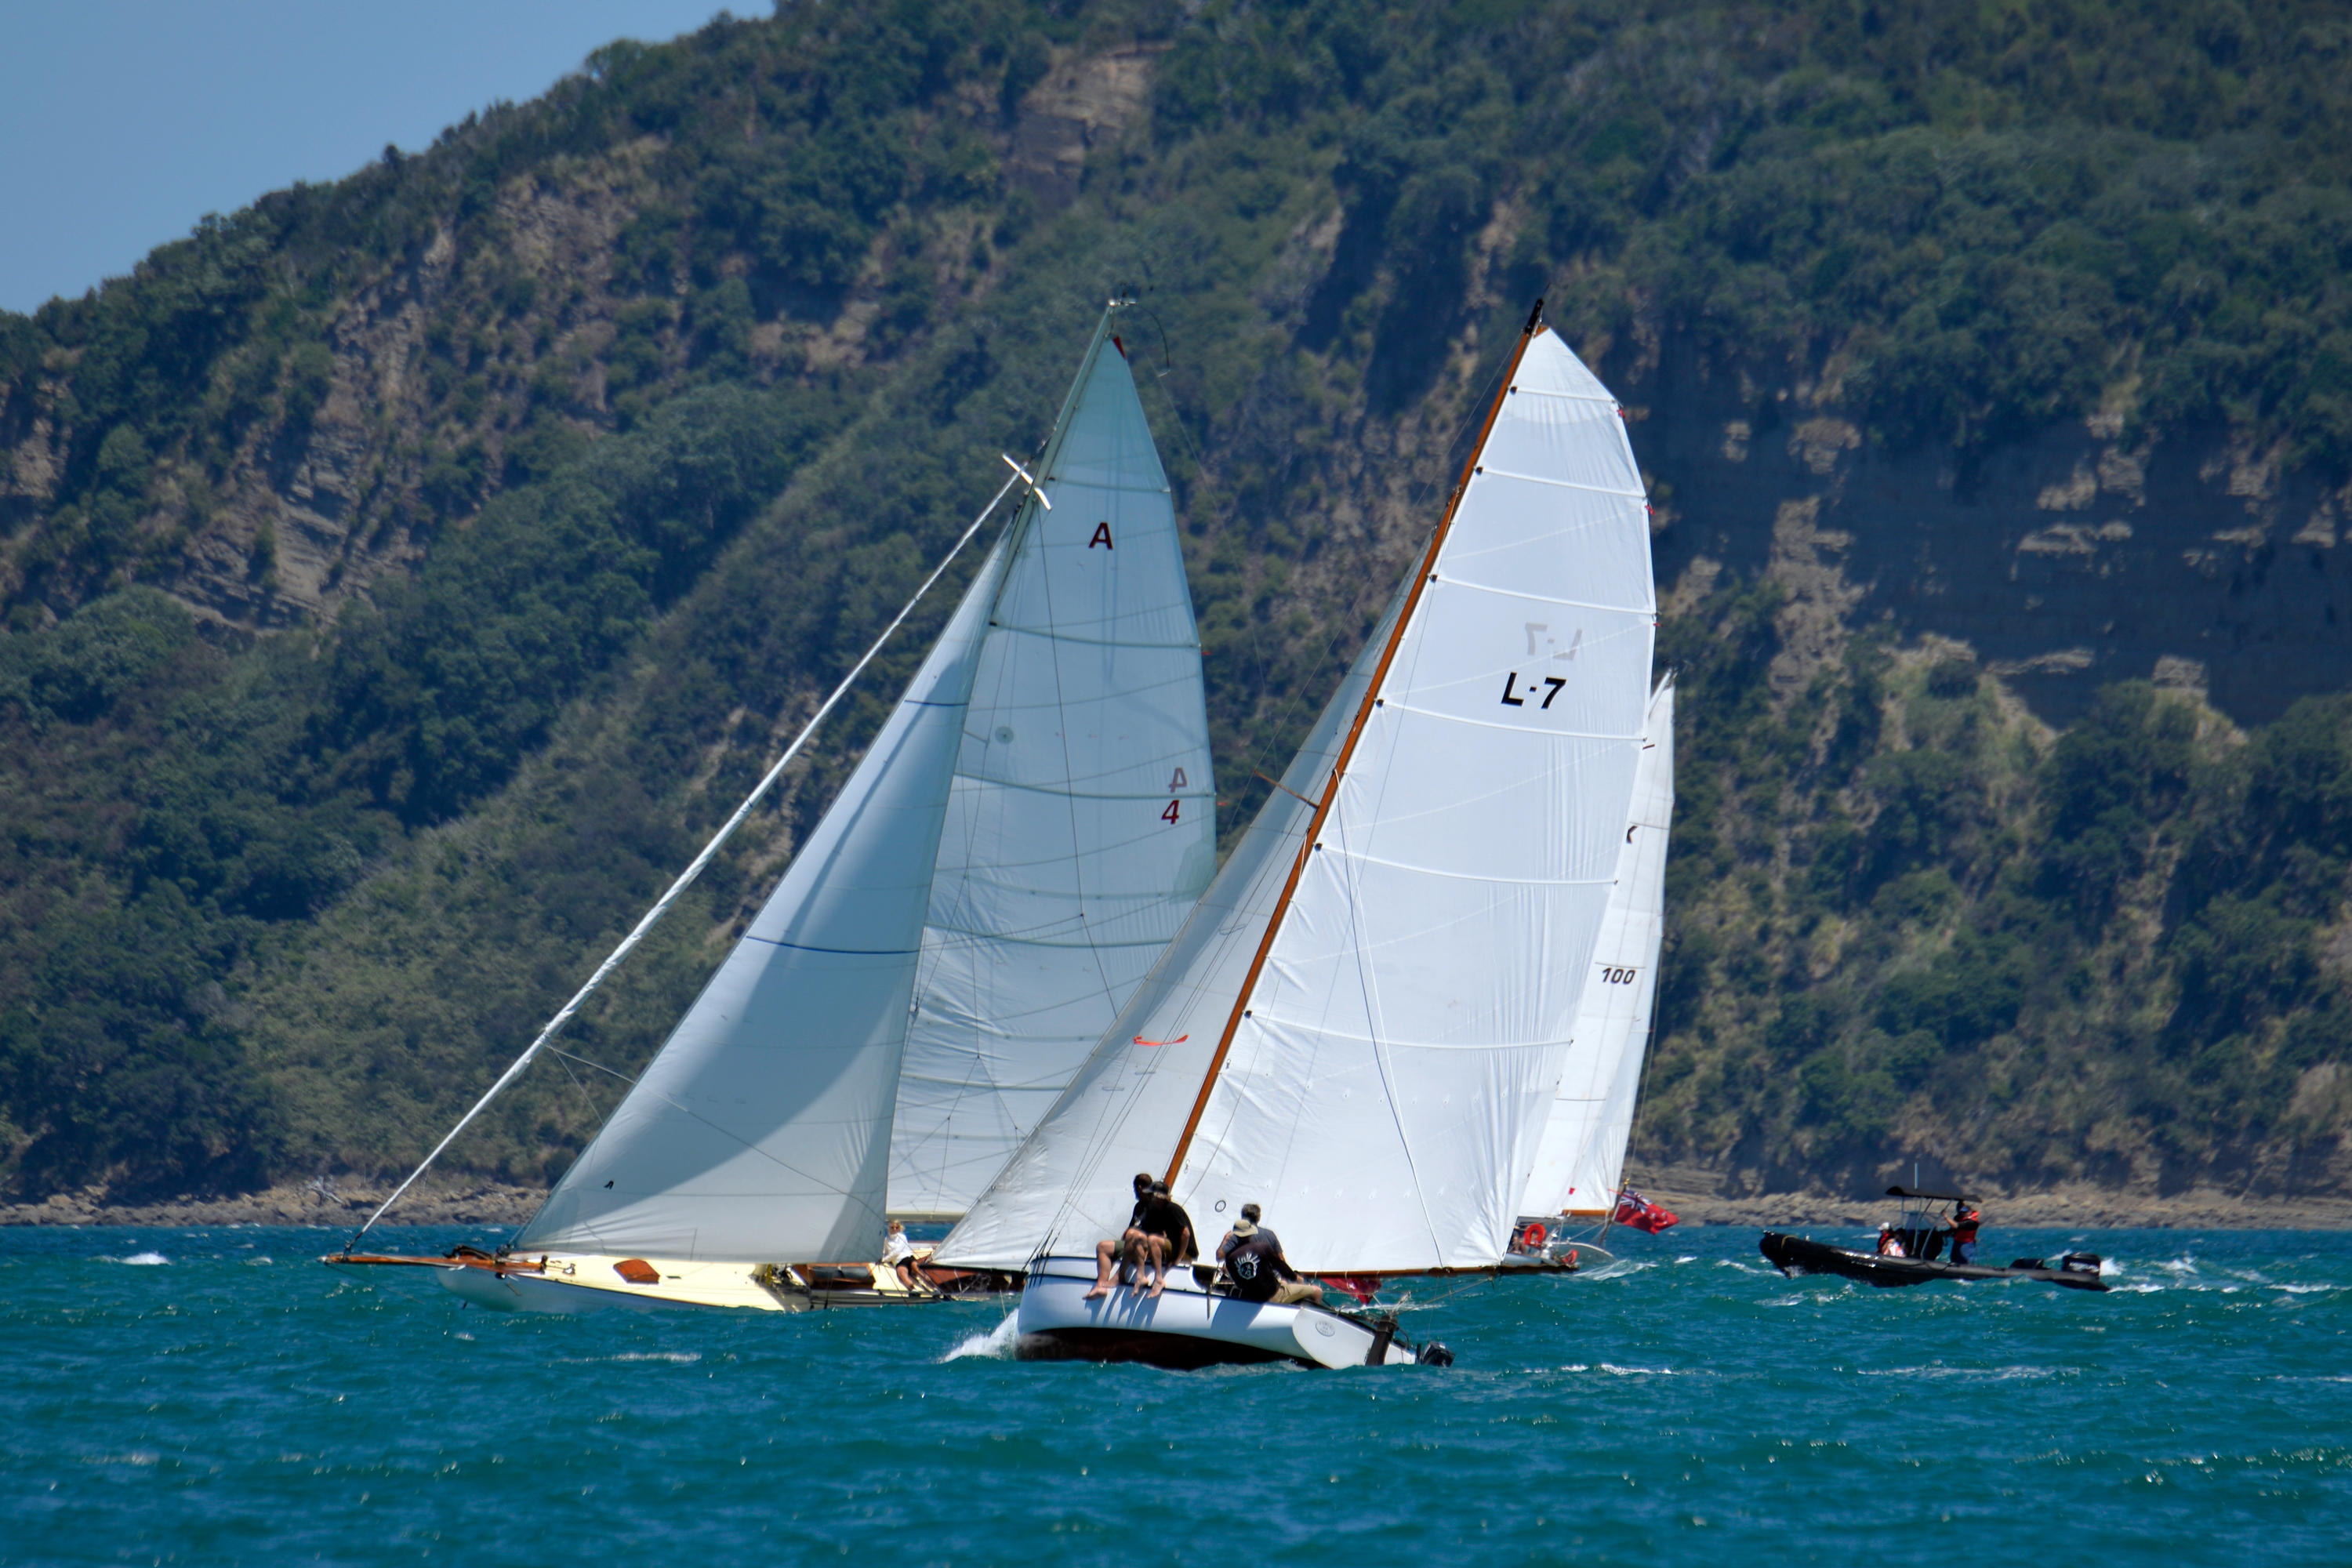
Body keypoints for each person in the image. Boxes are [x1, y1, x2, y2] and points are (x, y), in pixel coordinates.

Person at [1216, 1203, 1323, 1306]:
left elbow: (1221, 1260)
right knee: (1317, 1291)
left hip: (1250, 1296)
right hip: (1272, 1293)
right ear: (1258, 1218)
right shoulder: (1264, 1243)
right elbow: (1281, 1263)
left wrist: (1226, 1239)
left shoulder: (1231, 1253)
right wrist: (1296, 1278)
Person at [1084, 1173, 1158, 1300]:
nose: (1135, 1192)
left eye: (1135, 1189)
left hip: (1144, 1245)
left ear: (1140, 1188)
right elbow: (1132, 1226)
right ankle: (1101, 1286)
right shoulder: (1139, 1206)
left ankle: (1120, 1276)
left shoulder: (1156, 1206)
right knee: (1102, 1247)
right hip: (1130, 1243)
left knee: (1132, 1236)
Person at [1135, 1179, 1197, 1299]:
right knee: (1145, 1238)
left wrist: (1177, 1260)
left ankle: (1158, 1279)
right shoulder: (1157, 1211)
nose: (1149, 1198)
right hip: (1173, 1248)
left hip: (1186, 1252)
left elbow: (1185, 1234)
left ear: (1157, 1196)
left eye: (1151, 1195)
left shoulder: (1172, 1209)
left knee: (1153, 1240)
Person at [880, 1220, 927, 1294]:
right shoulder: (886, 1240)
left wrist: (884, 1260)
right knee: (903, 1274)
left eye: (897, 1227)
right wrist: (883, 1258)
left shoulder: (902, 1237)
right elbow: (886, 1252)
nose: (894, 1229)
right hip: (898, 1262)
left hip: (908, 1258)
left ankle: (933, 1286)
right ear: (889, 1228)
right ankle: (913, 1289)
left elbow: (897, 1252)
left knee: (917, 1269)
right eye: (892, 1227)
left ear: (899, 1228)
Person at [1945, 1200, 1983, 1265]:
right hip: (1957, 1243)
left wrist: (1946, 1216)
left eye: (1964, 1209)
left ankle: (1967, 1271)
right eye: (1960, 1209)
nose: (1961, 1211)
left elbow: (1956, 1226)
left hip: (1966, 1245)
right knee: (1954, 1258)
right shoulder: (1959, 1219)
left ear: (1970, 1210)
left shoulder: (1972, 1222)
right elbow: (1953, 1230)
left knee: (1964, 1261)